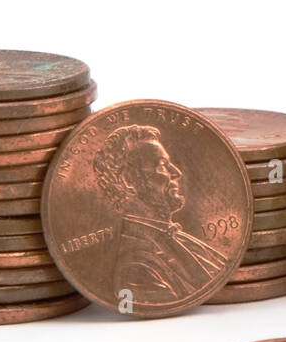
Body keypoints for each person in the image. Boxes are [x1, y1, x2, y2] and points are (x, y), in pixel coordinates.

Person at [92, 124, 227, 307]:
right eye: (162, 165)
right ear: (128, 179)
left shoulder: (179, 239)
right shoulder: (136, 268)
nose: (176, 172)